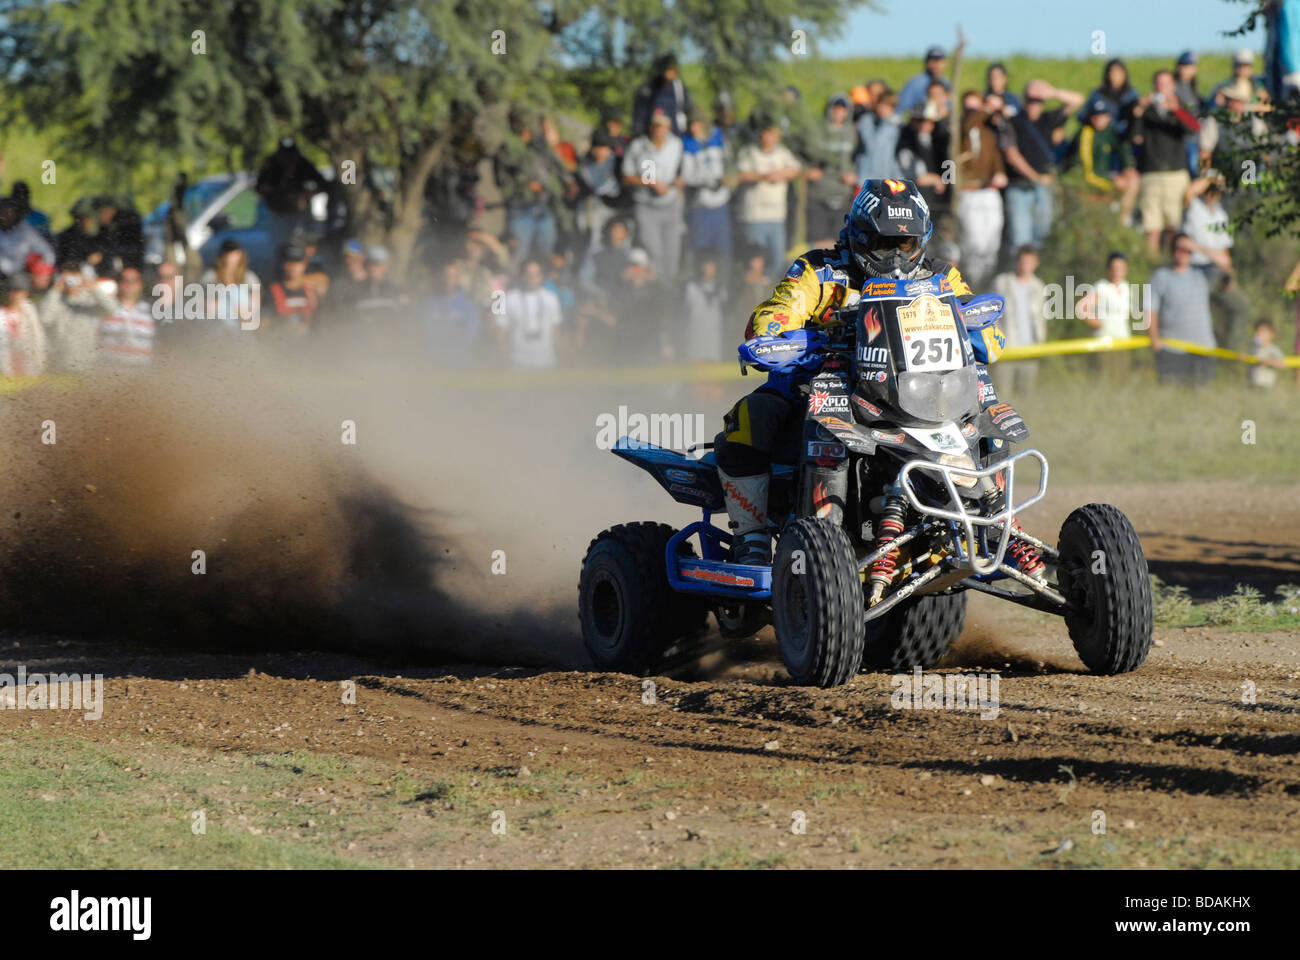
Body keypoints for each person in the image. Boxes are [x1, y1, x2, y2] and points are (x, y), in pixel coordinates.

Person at [711, 179, 1005, 566]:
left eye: (905, 244)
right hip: (823, 382)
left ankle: (995, 522)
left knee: (989, 408)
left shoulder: (940, 275)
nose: (896, 256)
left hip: (918, 391)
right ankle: (751, 538)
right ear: (858, 235)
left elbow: (985, 332)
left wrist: (980, 330)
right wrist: (783, 335)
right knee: (751, 417)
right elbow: (775, 313)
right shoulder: (820, 270)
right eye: (883, 243)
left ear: (922, 239)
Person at [1003, 80, 1082, 251]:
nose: (1034, 104)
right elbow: (1012, 155)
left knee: (1043, 236)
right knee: (1020, 238)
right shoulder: (1013, 122)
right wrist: (1036, 177)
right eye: (1030, 99)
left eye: (1038, 100)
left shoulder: (1048, 119)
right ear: (1024, 100)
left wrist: (1053, 92)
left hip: (1044, 188)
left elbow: (1078, 100)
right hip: (1020, 187)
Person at [1133, 70, 1201, 255]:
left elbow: (1194, 128)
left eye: (1165, 84)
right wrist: (1138, 111)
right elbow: (1134, 137)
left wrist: (1176, 110)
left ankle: (1170, 260)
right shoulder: (1146, 111)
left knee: (1174, 225)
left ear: (1173, 86)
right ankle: (1151, 262)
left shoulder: (1181, 107)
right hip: (1151, 173)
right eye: (1158, 84)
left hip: (1175, 172)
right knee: (1152, 227)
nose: (1161, 88)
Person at [1183, 178, 1249, 350]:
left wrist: (1230, 275)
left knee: (1241, 305)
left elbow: (1225, 251)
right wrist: (1211, 177)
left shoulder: (1221, 215)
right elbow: (1189, 192)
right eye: (1210, 190)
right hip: (1197, 270)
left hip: (1218, 272)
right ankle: (1198, 347)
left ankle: (1231, 351)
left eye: (1217, 191)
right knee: (1199, 310)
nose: (1213, 194)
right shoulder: (1195, 208)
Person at [621, 109, 685, 281]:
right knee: (653, 249)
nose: (659, 130)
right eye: (656, 126)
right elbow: (626, 177)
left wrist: (678, 180)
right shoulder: (638, 146)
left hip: (670, 203)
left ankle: (671, 285)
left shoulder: (676, 144)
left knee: (673, 250)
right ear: (651, 127)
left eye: (663, 126)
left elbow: (680, 170)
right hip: (646, 204)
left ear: (668, 128)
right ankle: (655, 285)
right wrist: (650, 182)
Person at [735, 116, 802, 276]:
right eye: (768, 133)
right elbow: (742, 174)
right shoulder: (750, 152)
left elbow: (796, 170)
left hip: (777, 216)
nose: (771, 138)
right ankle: (753, 288)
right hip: (755, 216)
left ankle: (768, 285)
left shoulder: (783, 153)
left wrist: (780, 174)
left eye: (774, 134)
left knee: (778, 260)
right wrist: (764, 176)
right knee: (755, 261)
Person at [1147, 233, 1217, 385]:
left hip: (1203, 349)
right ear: (1172, 250)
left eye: (1187, 250)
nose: (1183, 253)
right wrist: (1154, 340)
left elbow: (1226, 265)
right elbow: (1149, 309)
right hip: (1171, 350)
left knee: (1202, 396)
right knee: (1171, 395)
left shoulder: (1202, 274)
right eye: (1179, 248)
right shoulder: (1159, 276)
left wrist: (1198, 247)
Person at [956, 91, 1008, 290]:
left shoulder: (988, 133)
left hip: (989, 192)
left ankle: (986, 283)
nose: (974, 113)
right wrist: (986, 108)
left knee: (992, 241)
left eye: (976, 108)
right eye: (970, 109)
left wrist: (1000, 173)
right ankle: (973, 284)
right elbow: (968, 124)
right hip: (970, 192)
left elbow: (996, 157)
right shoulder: (960, 130)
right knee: (974, 241)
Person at [39, 257, 118, 373]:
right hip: (58, 366)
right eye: (68, 278)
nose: (71, 282)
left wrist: (92, 287)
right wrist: (56, 289)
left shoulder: (89, 299)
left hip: (85, 365)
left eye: (74, 277)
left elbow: (111, 310)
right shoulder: (53, 300)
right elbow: (44, 319)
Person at [1074, 95, 1139, 226]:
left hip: (1101, 180)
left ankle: (1123, 221)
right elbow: (1086, 172)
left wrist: (1128, 167)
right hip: (1086, 183)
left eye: (1103, 116)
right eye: (1096, 116)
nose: (1099, 120)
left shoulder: (1109, 131)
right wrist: (1111, 184)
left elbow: (1122, 146)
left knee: (1133, 179)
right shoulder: (1086, 133)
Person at [681, 105, 734, 264]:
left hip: (721, 202)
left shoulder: (718, 136)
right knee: (701, 251)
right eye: (691, 124)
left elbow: (729, 163)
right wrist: (706, 180)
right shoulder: (687, 143)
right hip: (701, 204)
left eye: (696, 124)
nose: (693, 128)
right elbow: (687, 176)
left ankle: (724, 279)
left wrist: (728, 177)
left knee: (723, 249)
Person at [992, 245, 1047, 396]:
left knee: (1027, 394)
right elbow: (992, 315)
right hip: (1006, 350)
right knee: (1002, 394)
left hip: (1030, 350)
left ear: (1036, 263)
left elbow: (1041, 319)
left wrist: (1041, 342)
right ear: (1016, 261)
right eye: (1023, 261)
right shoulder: (1002, 283)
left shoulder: (1039, 286)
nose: (1025, 265)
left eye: (1030, 261)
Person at [805, 94, 860, 246]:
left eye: (842, 110)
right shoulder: (817, 130)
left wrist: (855, 174)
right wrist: (808, 170)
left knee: (841, 241)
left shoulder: (854, 132)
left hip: (843, 194)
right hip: (818, 193)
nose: (838, 113)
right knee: (817, 242)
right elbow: (802, 153)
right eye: (835, 109)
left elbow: (862, 158)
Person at [256, 136, 321, 251]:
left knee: (300, 243)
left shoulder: (303, 164)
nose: (287, 157)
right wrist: (270, 192)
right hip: (277, 212)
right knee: (280, 245)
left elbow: (321, 184)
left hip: (299, 212)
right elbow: (259, 187)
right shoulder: (270, 164)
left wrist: (306, 195)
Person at [496, 258, 564, 369]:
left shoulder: (552, 298)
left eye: (536, 274)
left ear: (541, 276)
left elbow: (556, 330)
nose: (532, 278)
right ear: (522, 275)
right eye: (528, 274)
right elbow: (501, 330)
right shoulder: (507, 298)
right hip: (517, 362)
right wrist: (502, 356)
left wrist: (562, 356)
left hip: (546, 361)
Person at [96, 267, 156, 367]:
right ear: (118, 283)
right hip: (108, 368)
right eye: (124, 280)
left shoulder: (151, 312)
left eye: (133, 280)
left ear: (140, 285)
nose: (129, 284)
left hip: (141, 370)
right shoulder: (102, 309)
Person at [424, 260, 480, 365]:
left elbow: (471, 333)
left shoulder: (467, 305)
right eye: (445, 276)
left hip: (460, 359)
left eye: (451, 277)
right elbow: (425, 330)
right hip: (434, 358)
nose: (447, 280)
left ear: (457, 280)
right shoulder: (430, 304)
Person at [200, 238, 261, 331]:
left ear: (240, 255)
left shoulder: (248, 277)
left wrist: (240, 310)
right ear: (221, 256)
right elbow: (201, 301)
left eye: (233, 253)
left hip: (242, 317)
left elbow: (256, 304)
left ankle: (242, 328)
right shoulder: (211, 276)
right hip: (218, 319)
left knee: (236, 292)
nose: (230, 256)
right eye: (227, 253)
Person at [1075, 251, 1136, 340]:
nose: (1117, 271)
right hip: (1104, 341)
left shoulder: (1126, 287)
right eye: (1114, 268)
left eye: (1120, 268)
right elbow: (1081, 308)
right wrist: (1098, 324)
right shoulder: (1101, 287)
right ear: (1108, 268)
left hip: (1123, 340)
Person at [680, 249, 728, 363]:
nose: (708, 269)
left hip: (715, 342)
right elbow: (682, 315)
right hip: (695, 340)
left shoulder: (721, 289)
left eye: (711, 265)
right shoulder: (690, 287)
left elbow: (725, 314)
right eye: (706, 265)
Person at [631, 54, 694, 137]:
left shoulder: (679, 88)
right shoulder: (648, 88)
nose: (671, 73)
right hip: (651, 135)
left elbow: (688, 109)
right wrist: (639, 133)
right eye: (669, 70)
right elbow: (640, 115)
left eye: (674, 70)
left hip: (675, 135)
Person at [265, 243, 319, 340]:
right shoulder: (272, 292)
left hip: (311, 343)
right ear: (282, 264)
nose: (293, 266)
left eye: (297, 262)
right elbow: (263, 326)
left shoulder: (311, 291)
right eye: (289, 262)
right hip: (282, 342)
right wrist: (281, 327)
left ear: (304, 264)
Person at [1079, 58, 1140, 140]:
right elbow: (1082, 115)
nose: (1116, 76)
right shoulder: (1098, 94)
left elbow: (1138, 115)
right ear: (1107, 74)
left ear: (1124, 74)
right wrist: (1095, 120)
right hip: (1101, 136)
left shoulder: (1131, 94)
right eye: (1113, 72)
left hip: (1125, 137)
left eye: (1119, 72)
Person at [0, 271, 47, 376]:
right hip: (6, 360)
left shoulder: (30, 312)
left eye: (20, 292)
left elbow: (37, 337)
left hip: (27, 361)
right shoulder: (2, 314)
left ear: (26, 293)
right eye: (13, 292)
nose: (16, 296)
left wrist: (39, 359)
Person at [855, 91, 904, 183]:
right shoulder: (867, 121)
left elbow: (894, 156)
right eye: (881, 106)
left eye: (887, 107)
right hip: (865, 176)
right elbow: (870, 145)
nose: (883, 110)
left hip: (888, 177)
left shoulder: (898, 126)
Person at [0, 197, 55, 277]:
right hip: (8, 273)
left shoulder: (24, 228)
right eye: (3, 213)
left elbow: (45, 250)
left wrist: (44, 265)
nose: (7, 216)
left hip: (25, 271)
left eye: (10, 212)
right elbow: (5, 265)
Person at [1174, 52, 1204, 175]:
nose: (1187, 70)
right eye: (1184, 65)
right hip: (1183, 138)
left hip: (1195, 136)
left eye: (1191, 66)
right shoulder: (1175, 87)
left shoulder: (1193, 87)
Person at [898, 47, 951, 117]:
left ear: (945, 63)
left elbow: (949, 106)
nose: (936, 65)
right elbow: (902, 107)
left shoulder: (947, 82)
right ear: (926, 63)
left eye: (939, 61)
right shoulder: (915, 83)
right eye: (932, 61)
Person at [1247, 318, 1286, 388]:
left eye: (1263, 331)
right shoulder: (1253, 347)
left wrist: (1267, 362)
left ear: (1271, 334)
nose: (1259, 334)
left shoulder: (1273, 349)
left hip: (1267, 386)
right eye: (1257, 331)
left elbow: (1282, 364)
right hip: (1252, 384)